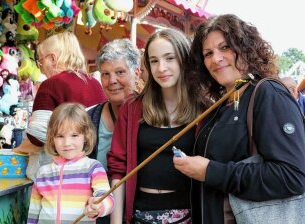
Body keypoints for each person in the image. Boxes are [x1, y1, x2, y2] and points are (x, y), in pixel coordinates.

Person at [174, 14, 305, 223]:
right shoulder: (221, 103)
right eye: (208, 53)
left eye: (225, 47)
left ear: (246, 48)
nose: (216, 58)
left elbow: (292, 176)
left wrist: (211, 171)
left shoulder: (268, 94)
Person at [107, 28, 202, 224]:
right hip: (140, 214)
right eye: (154, 61)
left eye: (169, 58)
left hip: (188, 216)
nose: (161, 68)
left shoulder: (204, 110)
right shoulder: (132, 108)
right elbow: (118, 168)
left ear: (184, 59)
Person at [13, 31, 107, 180]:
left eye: (41, 61)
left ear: (53, 58)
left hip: (58, 176)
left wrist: (15, 151)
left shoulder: (51, 85)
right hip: (91, 169)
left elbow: (38, 137)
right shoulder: (94, 83)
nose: (40, 67)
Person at [27, 103, 114, 223]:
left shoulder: (93, 168)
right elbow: (34, 210)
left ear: (86, 136)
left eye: (74, 135)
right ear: (52, 138)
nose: (67, 143)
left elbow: (108, 198)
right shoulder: (43, 172)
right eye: (60, 136)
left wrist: (99, 206)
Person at [87, 39, 141, 224]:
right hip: (98, 214)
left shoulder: (152, 116)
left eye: (120, 72)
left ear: (137, 73)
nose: (112, 81)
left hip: (139, 213)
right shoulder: (88, 119)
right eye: (105, 74)